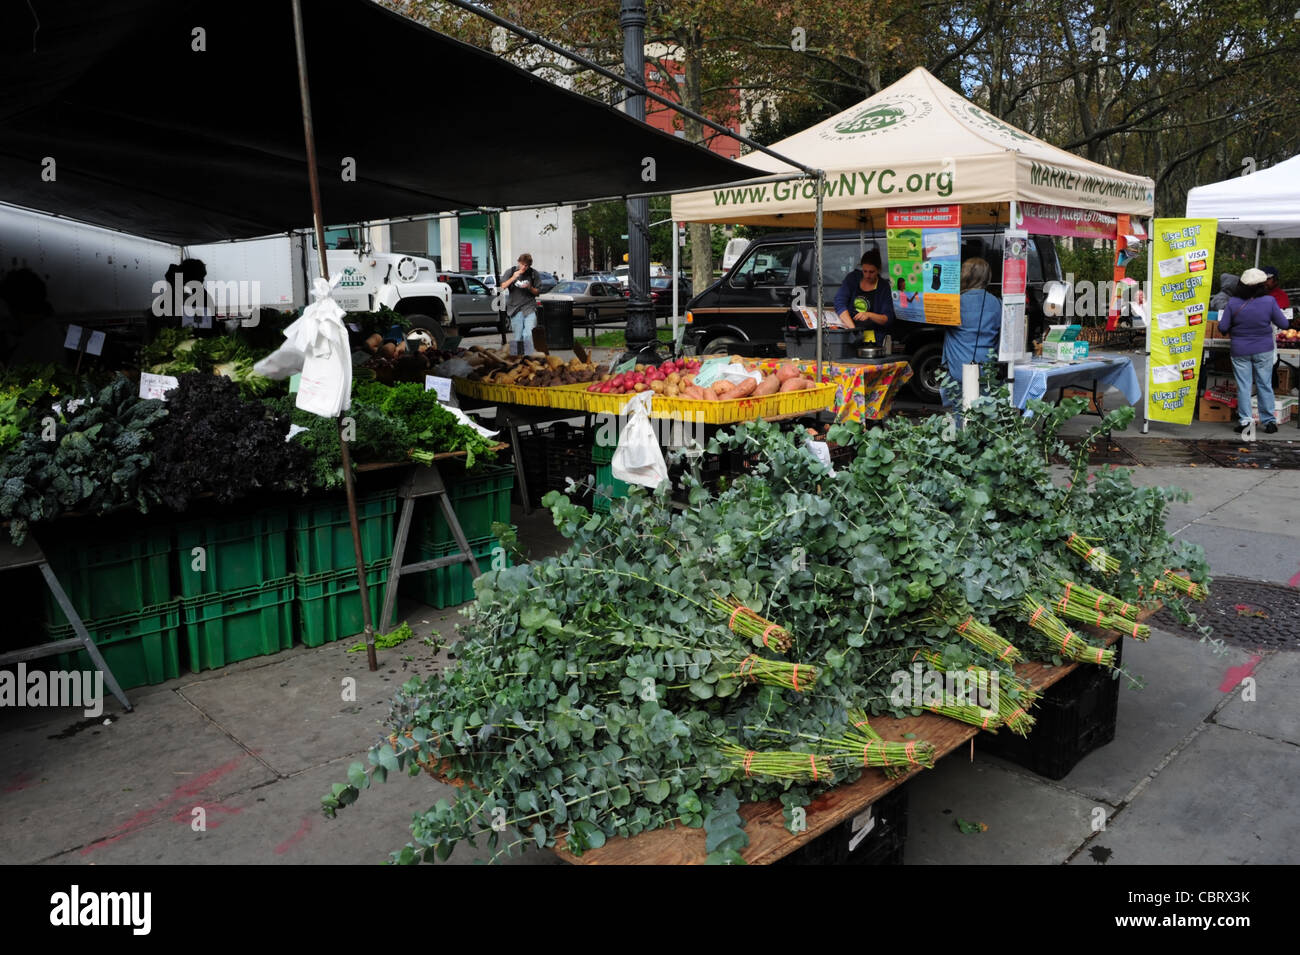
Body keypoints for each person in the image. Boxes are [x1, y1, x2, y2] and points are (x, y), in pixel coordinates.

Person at [1217, 267, 1291, 434]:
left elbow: (1223, 326)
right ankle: (1269, 422)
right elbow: (1284, 324)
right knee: (1264, 384)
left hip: (1240, 349)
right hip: (1263, 349)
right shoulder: (1269, 302)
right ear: (1261, 285)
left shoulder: (1233, 302)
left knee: (1244, 385)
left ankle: (1246, 422)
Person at [940, 257, 1001, 407]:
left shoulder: (955, 303)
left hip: (958, 370)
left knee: (961, 416)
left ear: (965, 276)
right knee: (984, 418)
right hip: (986, 369)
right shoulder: (997, 303)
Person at [833, 249, 894, 344]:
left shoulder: (884, 287)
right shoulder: (852, 278)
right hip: (850, 331)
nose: (867, 275)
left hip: (873, 338)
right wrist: (853, 330)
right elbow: (839, 302)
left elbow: (887, 318)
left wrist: (869, 315)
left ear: (878, 270)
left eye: (871, 272)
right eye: (865, 271)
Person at [500, 253, 541, 355]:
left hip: (529, 307)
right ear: (518, 262)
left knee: (528, 334)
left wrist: (530, 288)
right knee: (518, 337)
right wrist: (513, 278)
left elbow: (538, 292)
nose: (524, 267)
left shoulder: (533, 273)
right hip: (515, 308)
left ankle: (527, 358)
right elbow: (502, 287)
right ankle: (516, 359)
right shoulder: (511, 271)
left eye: (526, 265)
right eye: (522, 264)